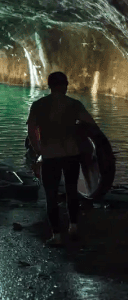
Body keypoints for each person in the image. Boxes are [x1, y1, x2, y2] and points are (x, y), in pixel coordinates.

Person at [27, 71, 99, 246]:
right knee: (72, 191)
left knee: (51, 196)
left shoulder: (39, 105)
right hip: (71, 154)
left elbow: (31, 131)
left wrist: (38, 150)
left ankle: (57, 236)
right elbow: (91, 125)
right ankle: (73, 227)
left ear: (49, 86)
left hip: (49, 155)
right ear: (65, 85)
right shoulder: (74, 104)